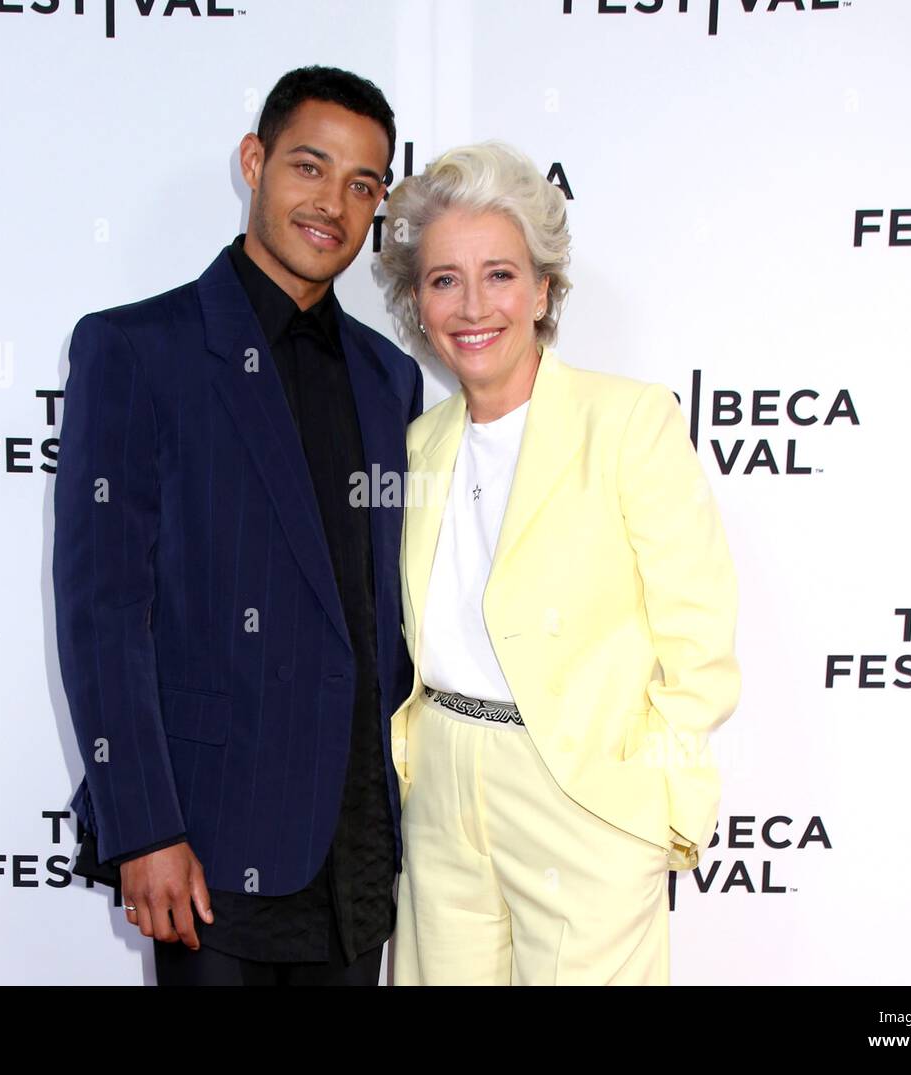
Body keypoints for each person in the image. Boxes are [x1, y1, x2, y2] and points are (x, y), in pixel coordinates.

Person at [52, 66, 423, 986]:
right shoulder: (137, 350)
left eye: (363, 185)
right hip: (208, 845)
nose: (333, 204)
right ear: (254, 163)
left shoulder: (390, 379)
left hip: (359, 856)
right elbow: (104, 611)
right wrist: (144, 826)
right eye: (310, 166)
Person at [374, 141, 741, 985]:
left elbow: (699, 641)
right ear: (417, 304)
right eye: (443, 280)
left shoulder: (629, 422)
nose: (473, 305)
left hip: (583, 793)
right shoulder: (417, 447)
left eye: (499, 274)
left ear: (542, 289)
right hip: (443, 788)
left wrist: (654, 805)